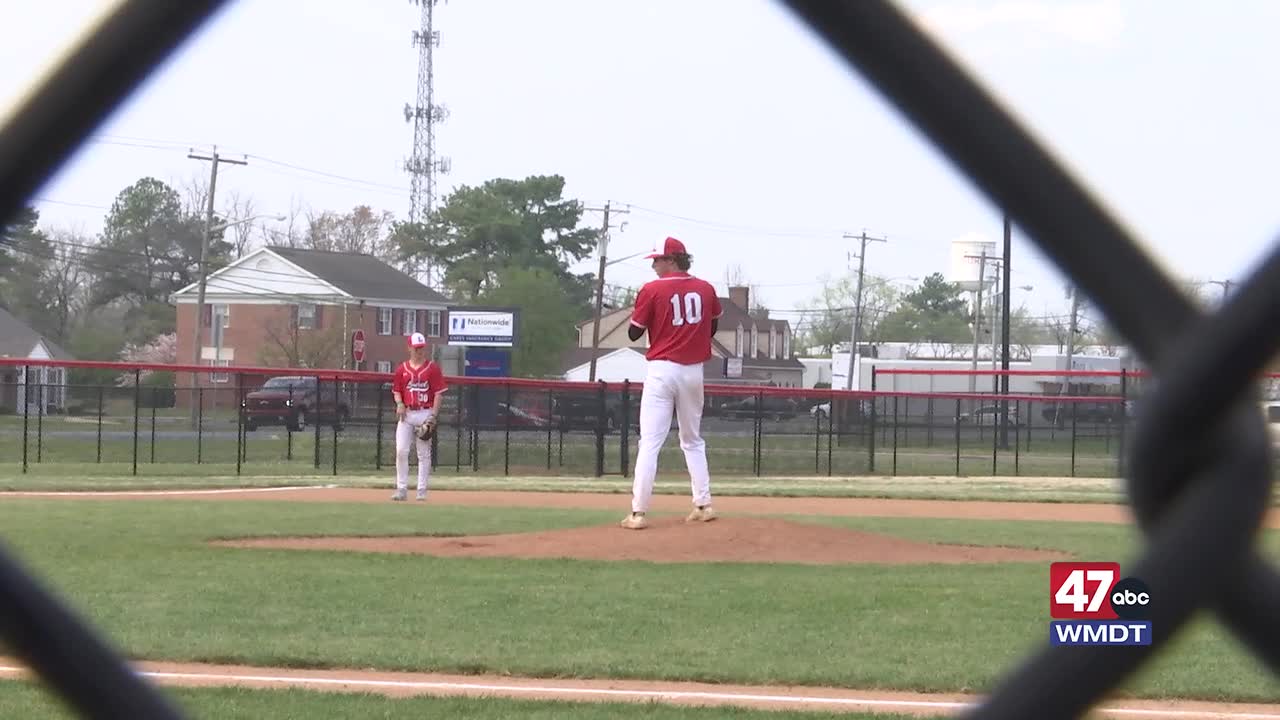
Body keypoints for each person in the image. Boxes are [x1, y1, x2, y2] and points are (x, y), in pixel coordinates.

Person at [621, 236, 723, 530]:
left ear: (672, 260)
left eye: (657, 260)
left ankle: (638, 514)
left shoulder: (651, 289)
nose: (653, 265)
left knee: (650, 442)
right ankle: (703, 505)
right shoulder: (705, 288)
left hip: (662, 370)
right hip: (694, 371)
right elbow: (713, 325)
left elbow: (632, 334)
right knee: (692, 440)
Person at [390, 332, 448, 501]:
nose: (419, 351)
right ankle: (401, 489)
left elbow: (438, 394)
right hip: (407, 414)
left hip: (425, 412)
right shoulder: (402, 369)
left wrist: (433, 416)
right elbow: (396, 391)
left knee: (423, 454)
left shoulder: (432, 368)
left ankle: (421, 491)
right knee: (401, 450)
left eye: (421, 348)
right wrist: (400, 404)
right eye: (416, 348)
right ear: (409, 348)